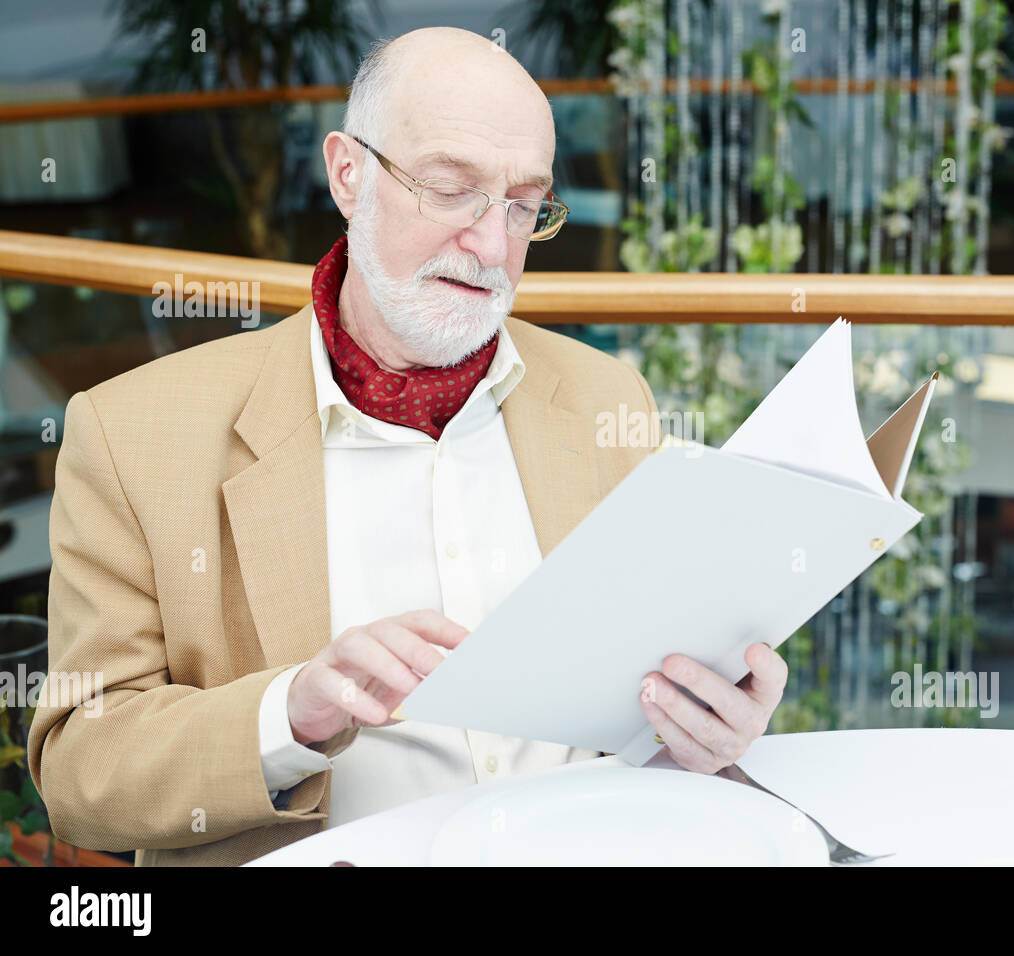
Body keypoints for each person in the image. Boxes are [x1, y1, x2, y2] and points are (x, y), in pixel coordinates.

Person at [28, 26, 788, 867]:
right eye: (451, 189)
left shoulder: (610, 400)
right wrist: (290, 713)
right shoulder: (133, 434)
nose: (492, 246)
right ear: (348, 174)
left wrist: (709, 722)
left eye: (523, 204)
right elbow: (80, 774)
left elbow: (649, 703)